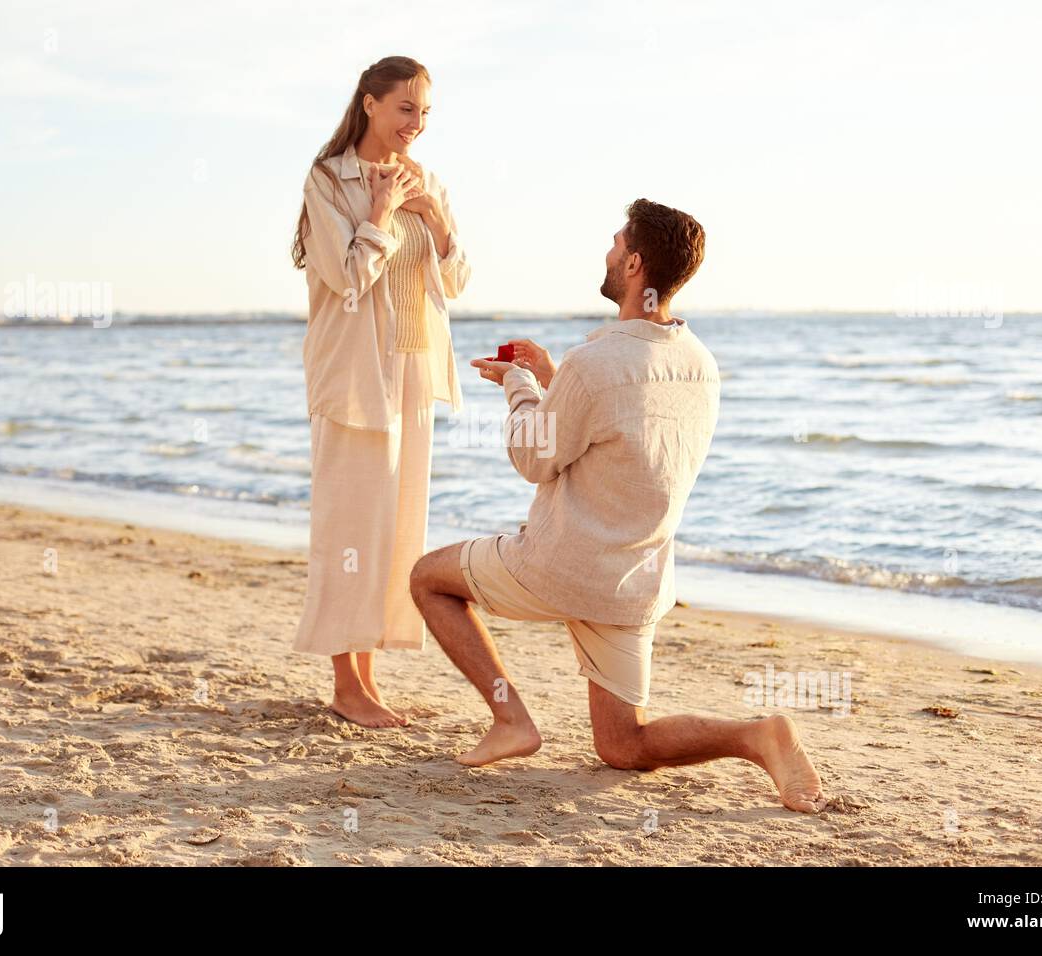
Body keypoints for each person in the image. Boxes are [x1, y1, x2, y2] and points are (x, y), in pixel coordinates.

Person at [409, 199, 827, 813]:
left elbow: (533, 458)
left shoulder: (595, 362)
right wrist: (555, 378)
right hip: (633, 582)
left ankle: (511, 719)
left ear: (634, 263)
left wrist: (520, 385)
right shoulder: (700, 365)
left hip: (559, 566)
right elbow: (625, 436)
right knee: (623, 746)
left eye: (613, 244)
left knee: (428, 579)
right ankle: (757, 735)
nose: (606, 254)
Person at [290, 55, 469, 728]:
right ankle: (345, 683)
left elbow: (455, 280)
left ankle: (366, 676)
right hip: (354, 376)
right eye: (405, 109)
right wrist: (381, 213)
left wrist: (434, 218)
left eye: (425, 113)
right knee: (349, 527)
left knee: (394, 531)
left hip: (413, 371)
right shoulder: (328, 180)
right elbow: (344, 278)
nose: (416, 124)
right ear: (369, 104)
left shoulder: (429, 179)